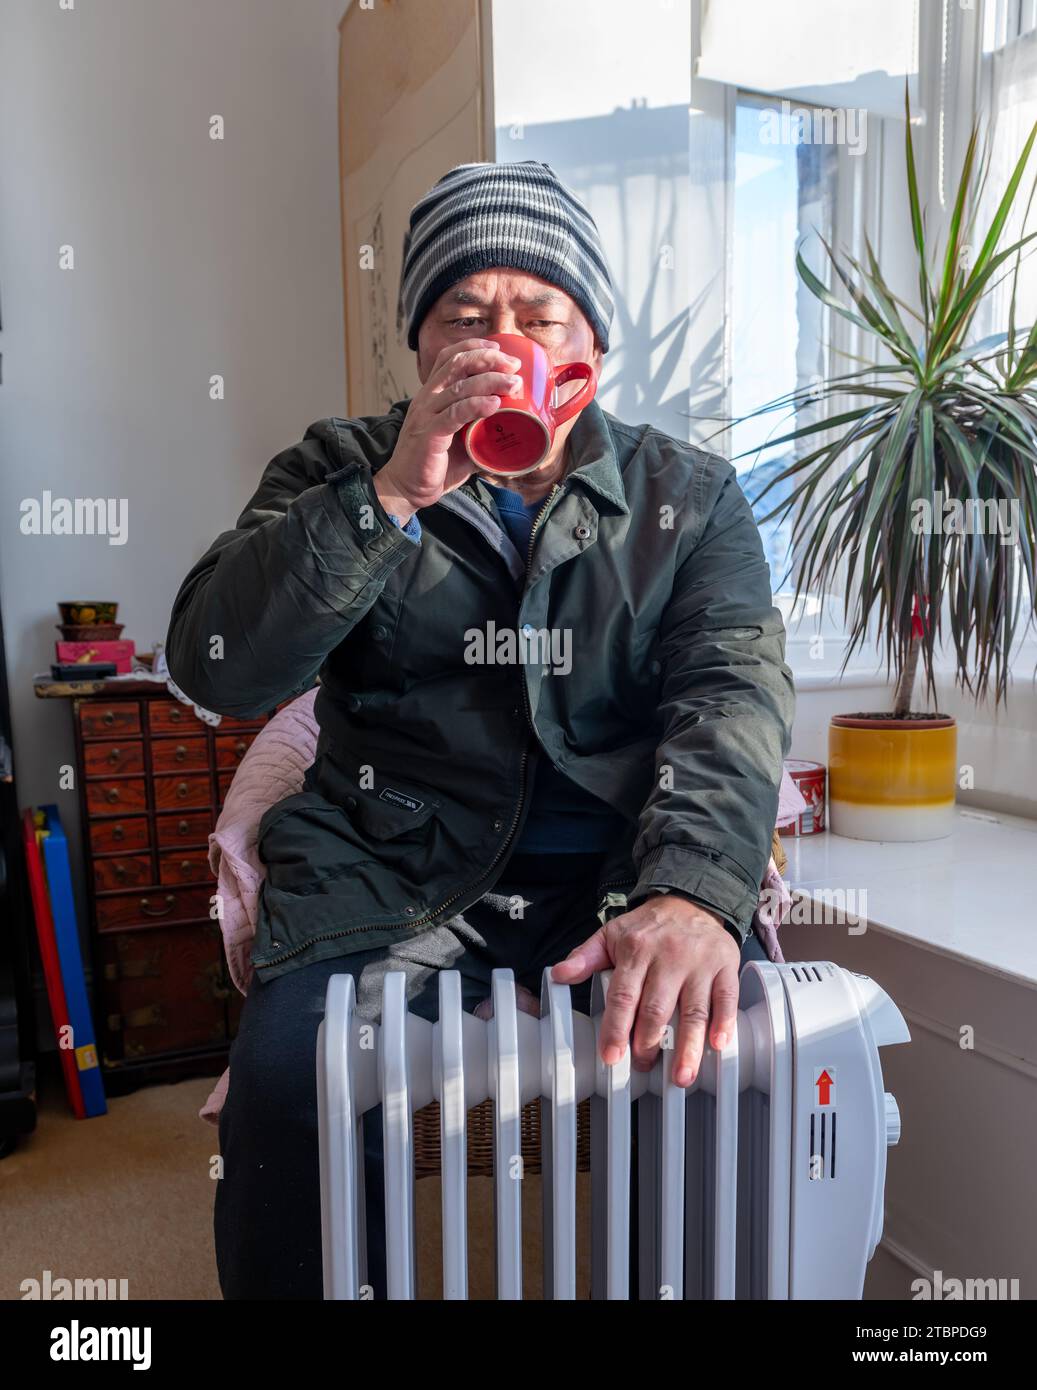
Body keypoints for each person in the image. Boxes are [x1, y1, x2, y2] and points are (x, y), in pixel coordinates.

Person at [165, 159, 795, 1299]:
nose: (501, 341)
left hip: (615, 863)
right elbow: (219, 666)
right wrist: (393, 495)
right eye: (465, 315)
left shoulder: (689, 497)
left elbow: (730, 697)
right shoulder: (336, 468)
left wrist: (695, 889)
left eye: (538, 314)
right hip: (384, 860)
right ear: (419, 349)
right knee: (286, 1080)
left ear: (590, 350)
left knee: (725, 1057)